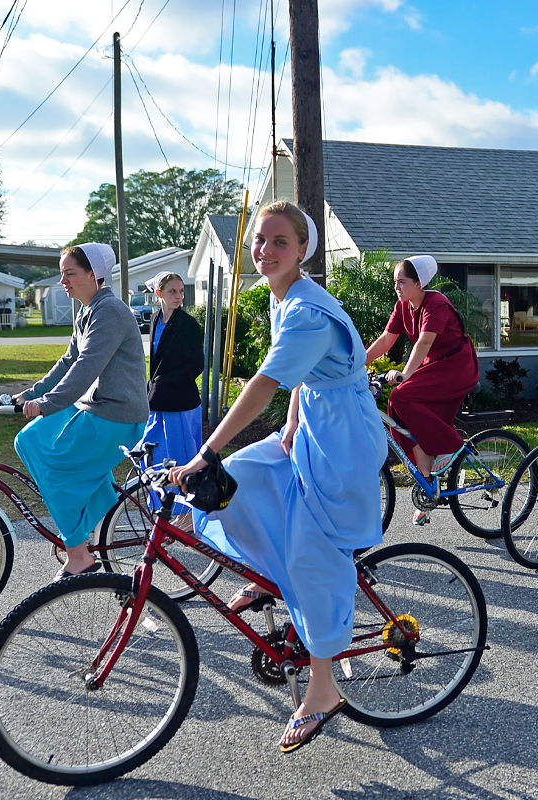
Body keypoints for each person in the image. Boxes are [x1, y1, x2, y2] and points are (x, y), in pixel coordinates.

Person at [169, 201, 385, 753]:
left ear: (302, 250)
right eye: (259, 241)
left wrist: (205, 454)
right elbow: (299, 377)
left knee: (314, 553)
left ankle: (322, 687)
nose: (264, 250)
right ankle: (270, 574)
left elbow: (265, 381)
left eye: (278, 242)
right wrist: (290, 422)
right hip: (314, 422)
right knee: (245, 478)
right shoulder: (280, 295)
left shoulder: (308, 310)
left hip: (344, 441)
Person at [13, 243, 148, 579]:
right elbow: (68, 361)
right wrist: (29, 394)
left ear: (93, 274)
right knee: (29, 440)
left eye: (69, 273)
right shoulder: (87, 311)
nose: (63, 281)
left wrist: (47, 404)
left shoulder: (110, 312)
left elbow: (86, 366)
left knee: (56, 466)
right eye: (62, 274)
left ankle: (77, 551)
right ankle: (94, 504)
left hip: (117, 415)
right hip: (95, 407)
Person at [364, 255, 479, 524]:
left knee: (401, 395)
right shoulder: (402, 306)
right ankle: (427, 485)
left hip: (456, 366)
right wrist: (354, 363)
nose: (397, 287)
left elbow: (424, 343)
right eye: (395, 282)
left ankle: (451, 445)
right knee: (398, 410)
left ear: (419, 283)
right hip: (435, 367)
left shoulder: (436, 304)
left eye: (402, 282)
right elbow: (385, 340)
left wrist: (405, 374)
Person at [138, 271, 204, 527]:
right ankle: (165, 506)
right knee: (152, 453)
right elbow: (155, 361)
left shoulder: (188, 324)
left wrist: (167, 383)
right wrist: (153, 387)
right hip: (158, 401)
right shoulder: (155, 319)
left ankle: (188, 513)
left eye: (181, 291)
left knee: (182, 456)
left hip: (181, 402)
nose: (178, 296)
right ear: (159, 294)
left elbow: (196, 364)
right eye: (172, 292)